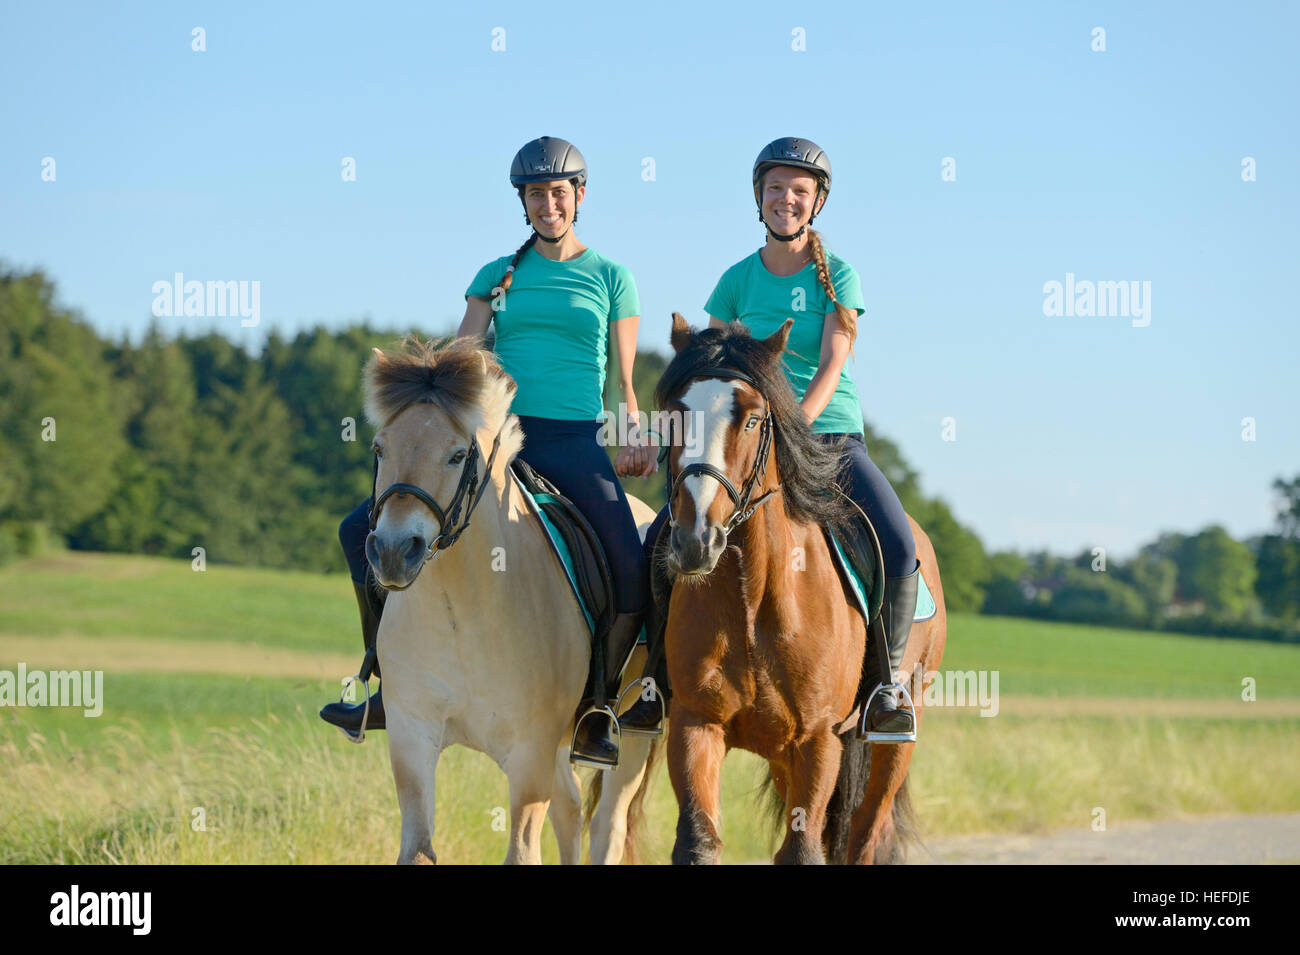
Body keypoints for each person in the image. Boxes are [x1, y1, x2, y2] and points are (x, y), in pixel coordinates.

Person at [320, 137, 657, 770]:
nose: (548, 205)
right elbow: (456, 371)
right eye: (536, 195)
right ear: (523, 203)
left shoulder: (612, 277)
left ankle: (601, 705)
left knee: (631, 561)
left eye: (559, 193)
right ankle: (386, 681)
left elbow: (625, 380)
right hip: (496, 443)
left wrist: (633, 427)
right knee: (354, 531)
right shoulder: (495, 275)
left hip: (572, 441)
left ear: (580, 198)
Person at [619, 137, 921, 740]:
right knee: (660, 541)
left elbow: (835, 361)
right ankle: (654, 683)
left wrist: (794, 428)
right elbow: (704, 370)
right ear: (759, 197)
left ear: (816, 203)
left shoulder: (838, 276)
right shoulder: (735, 281)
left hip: (828, 435)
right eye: (776, 188)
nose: (786, 199)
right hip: (740, 443)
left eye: (799, 191)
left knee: (898, 541)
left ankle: (886, 689)